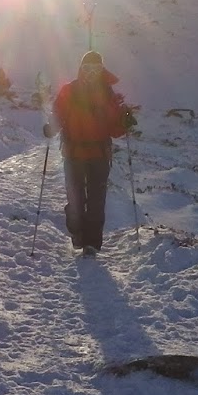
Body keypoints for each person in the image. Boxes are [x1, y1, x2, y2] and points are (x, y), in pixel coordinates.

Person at [49, 50, 134, 252]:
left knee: (96, 202)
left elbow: (114, 130)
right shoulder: (68, 91)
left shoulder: (108, 94)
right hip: (73, 154)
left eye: (96, 68)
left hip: (99, 156)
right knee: (76, 200)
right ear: (81, 68)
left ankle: (92, 244)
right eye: (87, 68)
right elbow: (57, 116)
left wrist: (125, 123)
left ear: (101, 69)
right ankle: (78, 238)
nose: (91, 73)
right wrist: (50, 128)